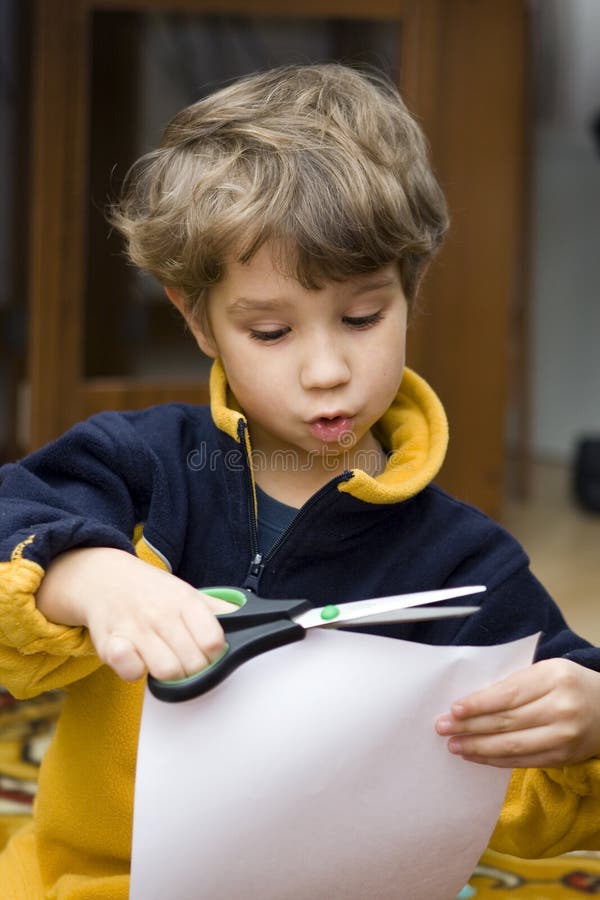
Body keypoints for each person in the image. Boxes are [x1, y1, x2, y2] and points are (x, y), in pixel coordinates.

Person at [1, 63, 600, 898]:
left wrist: (589, 722)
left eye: (363, 317)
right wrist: (91, 577)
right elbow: (14, 529)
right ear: (196, 318)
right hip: (98, 880)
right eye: (273, 330)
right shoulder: (138, 465)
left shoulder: (469, 565)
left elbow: (553, 788)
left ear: (409, 290)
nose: (327, 370)